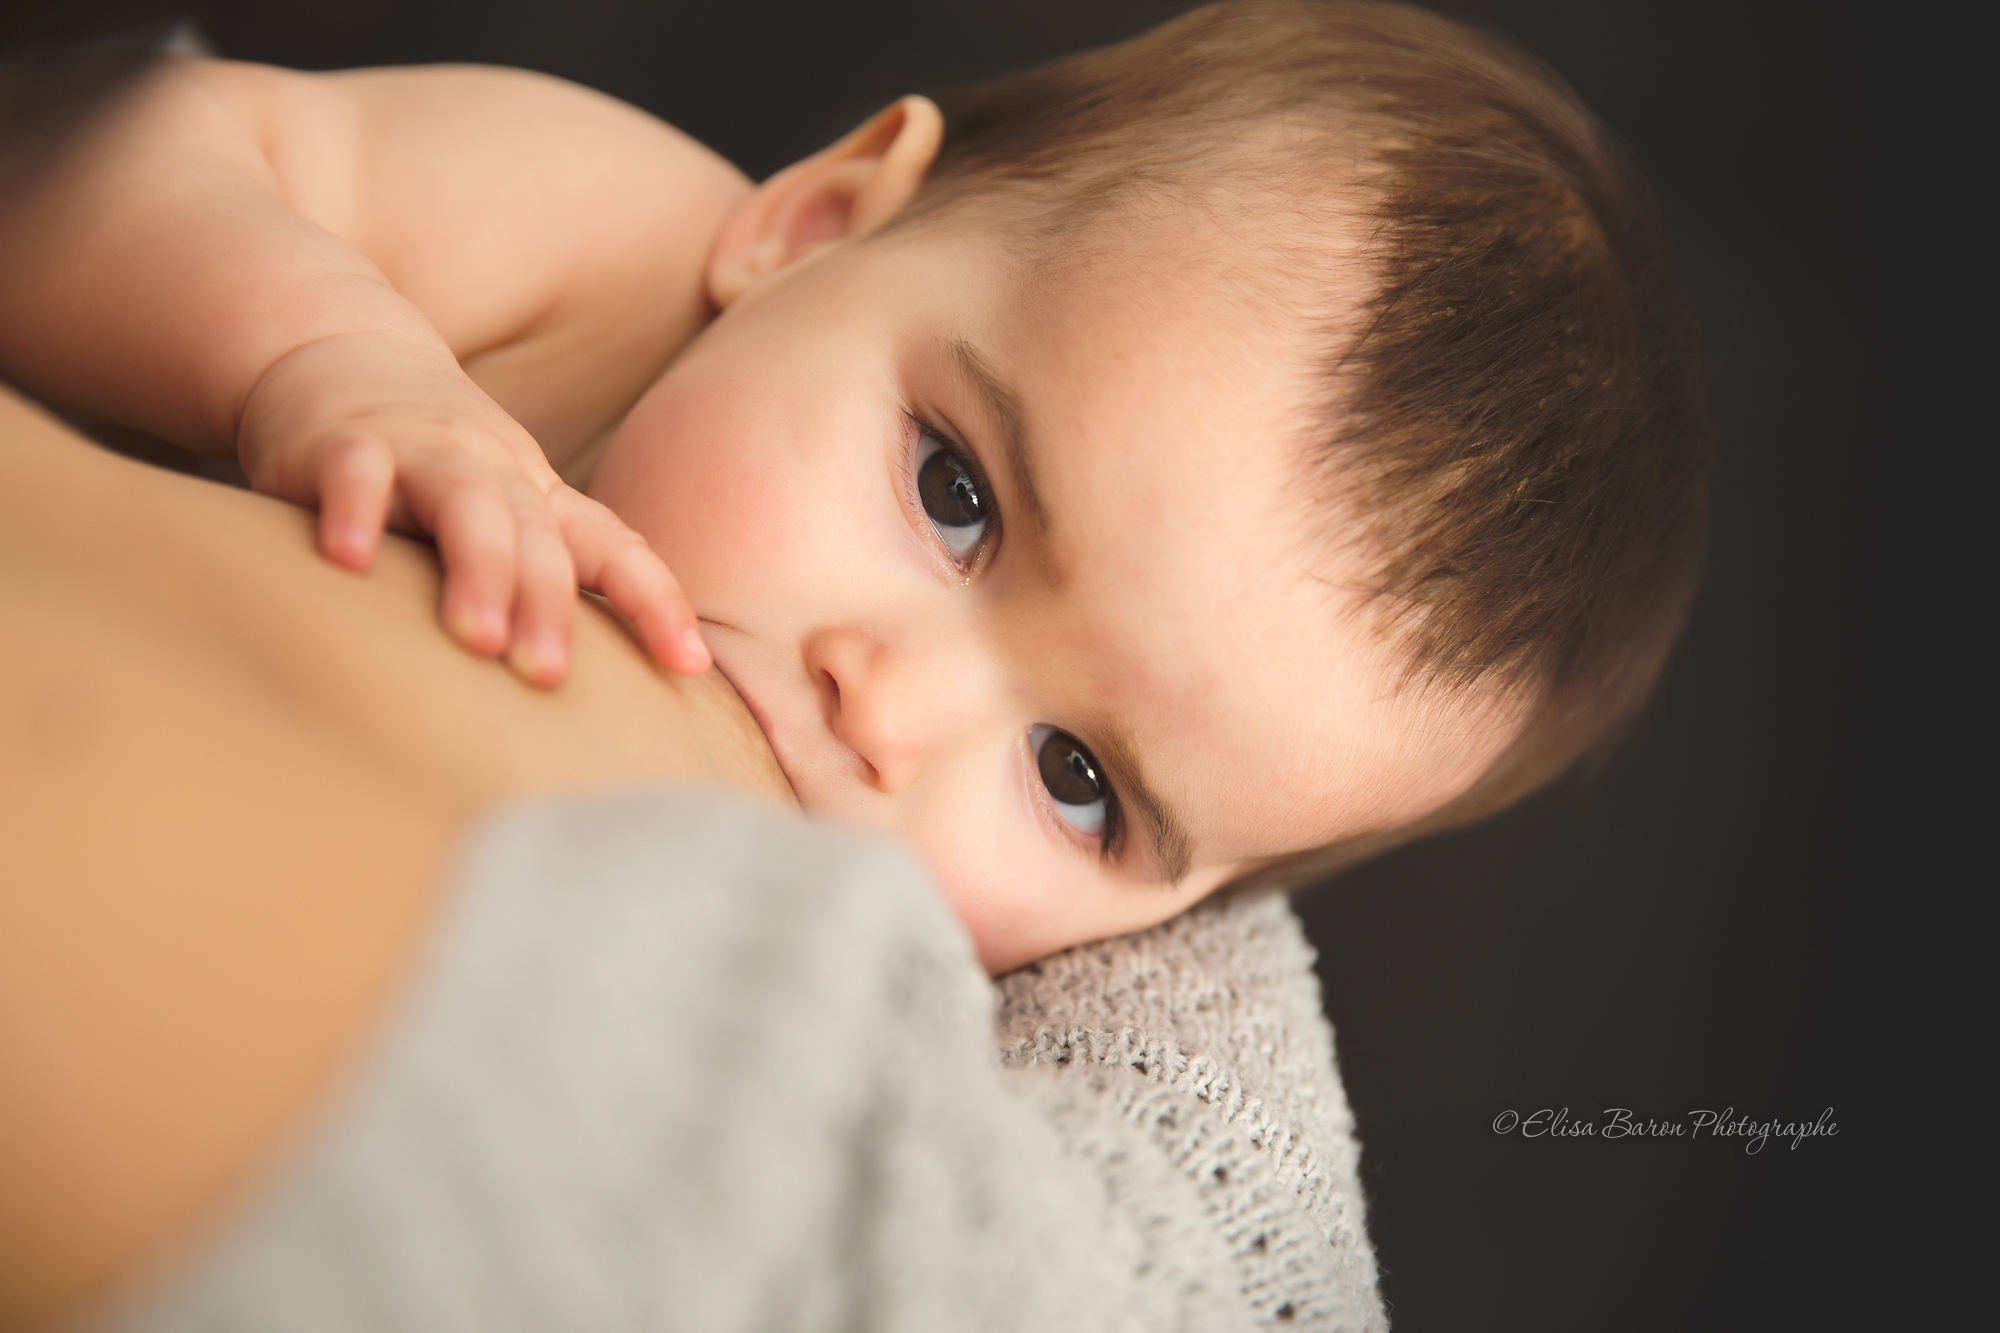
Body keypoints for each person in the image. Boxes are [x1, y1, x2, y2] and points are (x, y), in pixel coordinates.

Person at [0, 0, 1705, 1324]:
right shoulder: (596, 245)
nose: (890, 710)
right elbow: (66, 141)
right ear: (815, 225)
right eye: (955, 495)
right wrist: (323, 358)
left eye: (1078, 783)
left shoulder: (818, 1010)